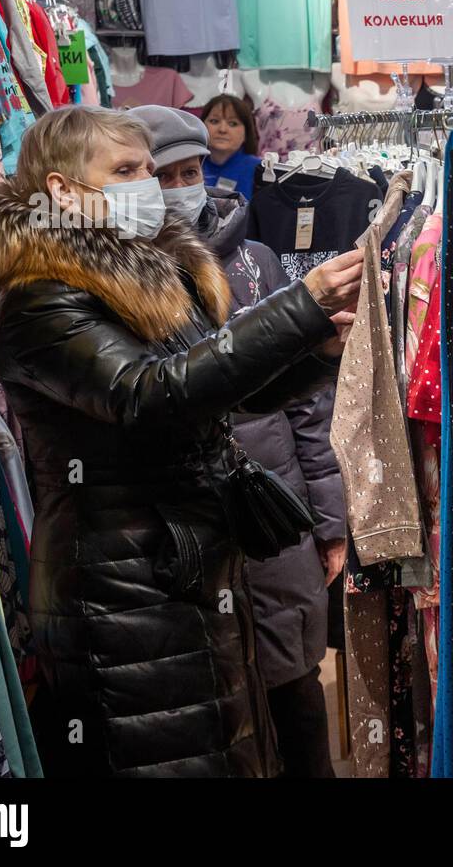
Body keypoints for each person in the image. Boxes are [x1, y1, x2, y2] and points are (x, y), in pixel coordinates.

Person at [0, 105, 363, 777]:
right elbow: (153, 395)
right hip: (123, 595)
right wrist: (299, 305)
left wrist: (317, 348)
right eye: (126, 171)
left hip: (182, 572)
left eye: (148, 169)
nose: (148, 185)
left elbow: (221, 395)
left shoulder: (148, 278)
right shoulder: (41, 303)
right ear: (64, 190)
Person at [129, 104, 346, 777]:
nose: (180, 187)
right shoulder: (123, 282)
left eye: (191, 171)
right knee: (216, 714)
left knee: (296, 696)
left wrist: (329, 521)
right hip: (187, 529)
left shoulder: (255, 262)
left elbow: (307, 407)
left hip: (273, 512)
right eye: (163, 175)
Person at [201, 93, 262, 200]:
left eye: (232, 123)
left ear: (246, 132)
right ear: (201, 126)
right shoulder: (191, 165)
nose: (222, 129)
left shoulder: (260, 170)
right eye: (214, 121)